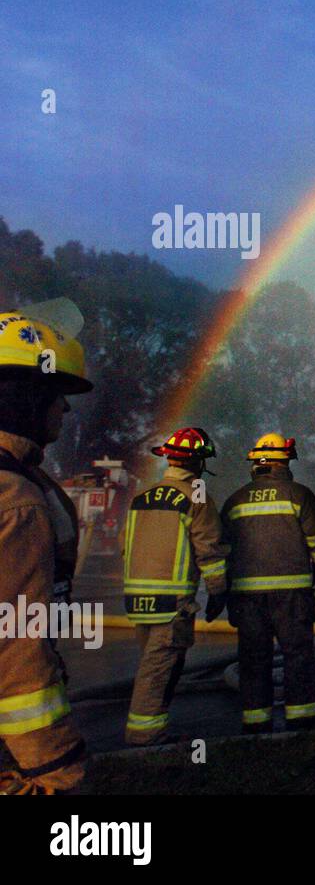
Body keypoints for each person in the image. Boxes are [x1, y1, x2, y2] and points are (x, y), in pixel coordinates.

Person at [0, 300, 93, 794]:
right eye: (58, 393)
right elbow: (15, 641)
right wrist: (53, 763)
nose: (66, 407)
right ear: (27, 397)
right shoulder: (16, 499)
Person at [122, 427, 229, 746]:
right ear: (197, 463)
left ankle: (152, 727)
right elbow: (209, 549)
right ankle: (145, 736)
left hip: (138, 599)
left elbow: (126, 546)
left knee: (154, 663)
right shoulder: (196, 495)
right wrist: (218, 590)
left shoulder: (142, 497)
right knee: (160, 667)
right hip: (173, 603)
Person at [221, 433, 315, 733]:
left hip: (247, 597)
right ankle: (302, 719)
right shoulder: (300, 495)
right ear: (285, 463)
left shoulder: (235, 501)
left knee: (253, 658)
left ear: (255, 463)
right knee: (297, 655)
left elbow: (223, 552)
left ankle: (255, 723)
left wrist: (224, 592)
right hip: (292, 595)